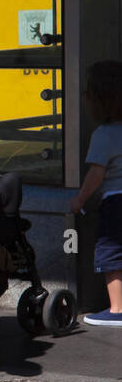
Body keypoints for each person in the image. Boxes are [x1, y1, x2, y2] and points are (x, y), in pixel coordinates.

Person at [70, 60, 122, 326]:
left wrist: (79, 199)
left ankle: (116, 310)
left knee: (112, 254)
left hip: (116, 202)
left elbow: (96, 174)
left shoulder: (104, 134)